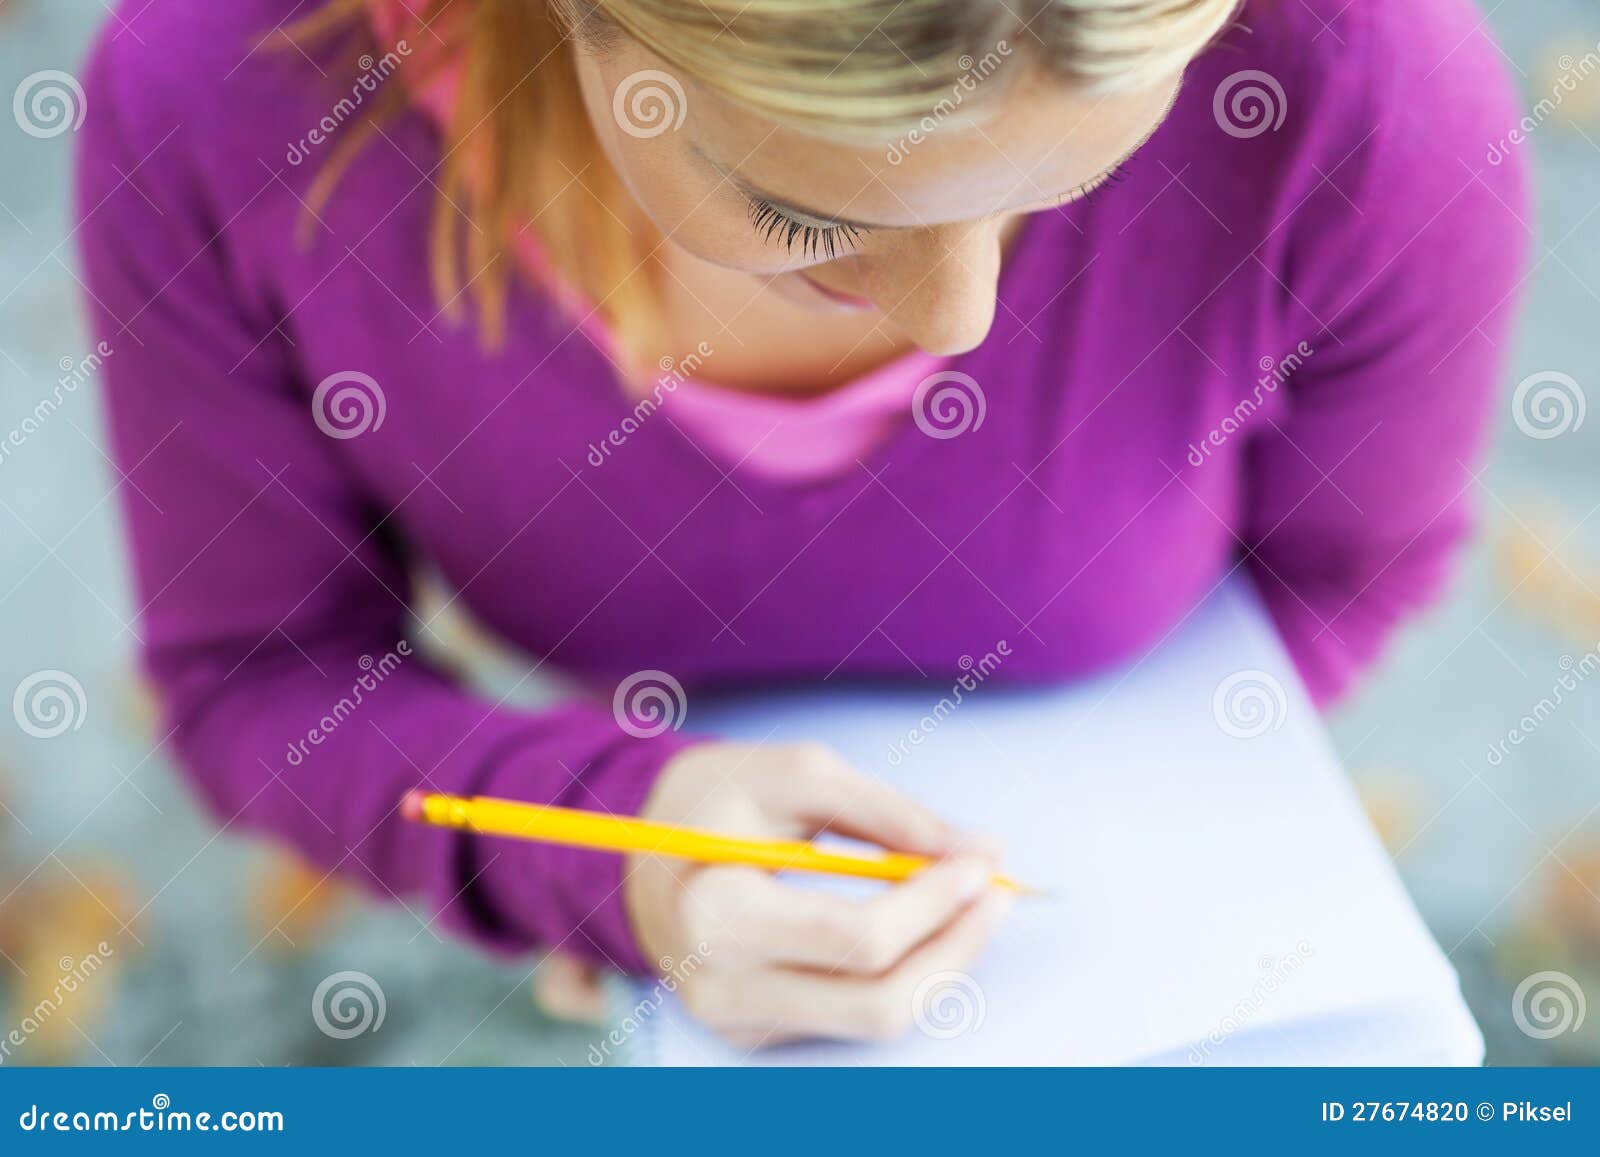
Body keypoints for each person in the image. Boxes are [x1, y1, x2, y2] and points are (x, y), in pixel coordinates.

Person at [76, 0, 1527, 1048]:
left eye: (1064, 186)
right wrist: (594, 851)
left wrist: (1176, 818)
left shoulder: (1362, 93)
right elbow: (258, 677)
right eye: (798, 212)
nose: (959, 328)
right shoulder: (228, 97)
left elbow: (1349, 571)